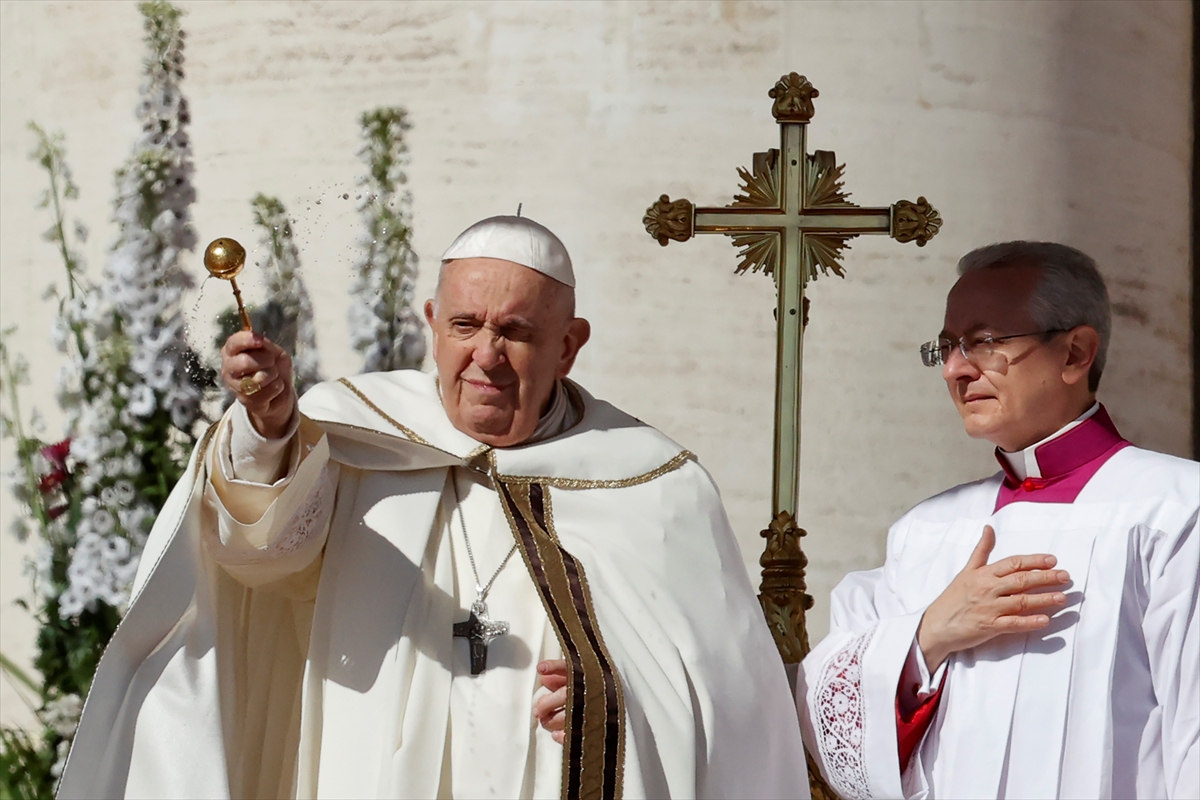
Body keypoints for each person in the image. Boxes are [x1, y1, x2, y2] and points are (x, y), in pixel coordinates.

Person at [57, 215, 808, 800]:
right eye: (465, 325)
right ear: (430, 320)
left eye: (516, 331)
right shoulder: (350, 432)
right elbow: (257, 557)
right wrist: (269, 430)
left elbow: (734, 700)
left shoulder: (653, 481)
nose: (485, 353)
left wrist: (617, 706)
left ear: (570, 346)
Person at [796, 241, 1199, 799]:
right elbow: (836, 717)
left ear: (1076, 353)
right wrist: (929, 634)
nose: (955, 371)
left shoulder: (1176, 509)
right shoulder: (926, 531)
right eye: (946, 347)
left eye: (984, 342)